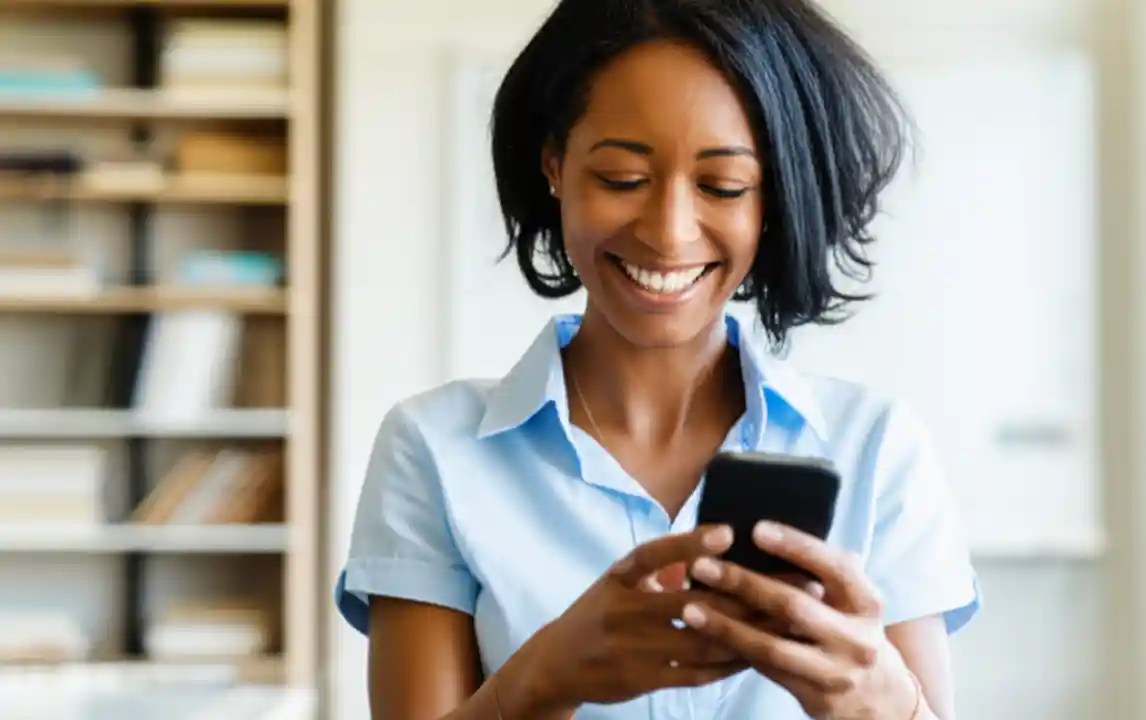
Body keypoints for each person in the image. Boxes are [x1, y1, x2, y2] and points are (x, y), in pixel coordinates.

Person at [335, 0, 980, 717]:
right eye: (621, 178)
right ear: (555, 166)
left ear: (774, 197)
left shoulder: (876, 449)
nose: (669, 235)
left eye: (722, 187)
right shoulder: (435, 449)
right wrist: (545, 675)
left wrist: (879, 699)